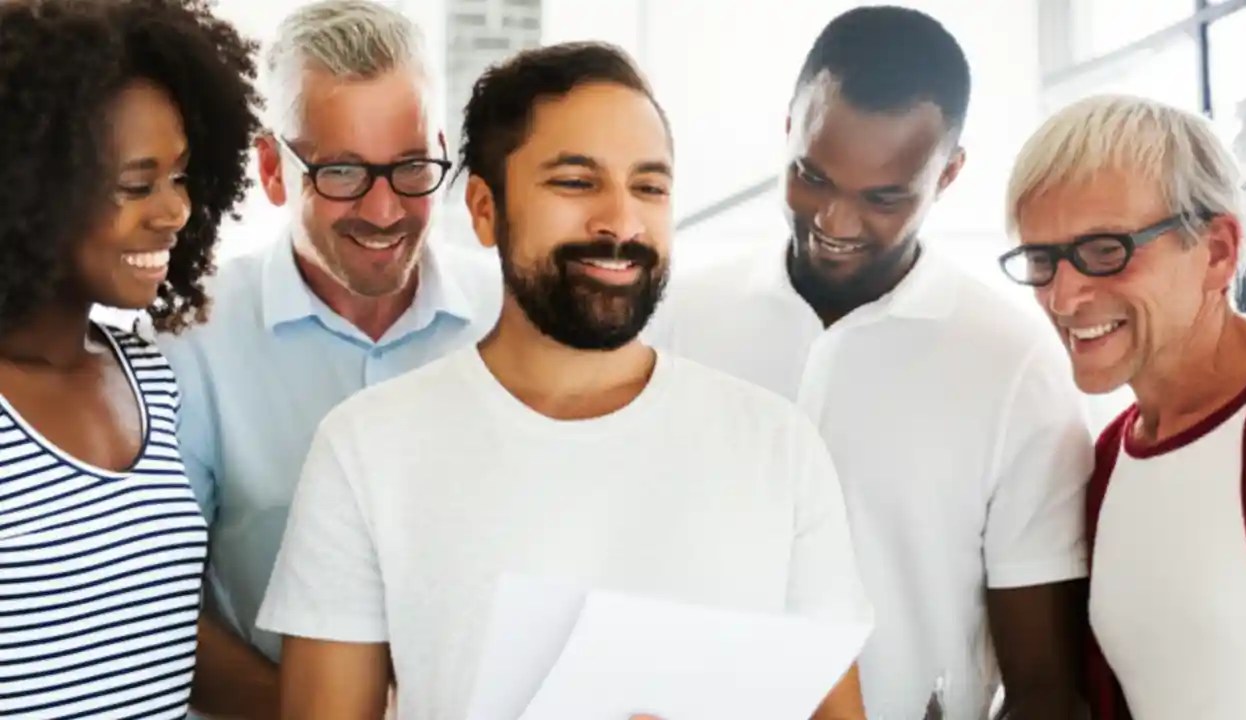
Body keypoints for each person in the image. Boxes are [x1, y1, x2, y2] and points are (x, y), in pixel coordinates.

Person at [255, 41, 874, 720]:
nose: (621, 221)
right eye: (576, 182)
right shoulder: (366, 448)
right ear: (485, 210)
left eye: (649, 187)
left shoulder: (779, 448)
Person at [647, 7, 1093, 719]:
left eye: (884, 198)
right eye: (812, 176)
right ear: (787, 129)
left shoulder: (1013, 365)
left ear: (948, 174)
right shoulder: (677, 320)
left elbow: (1043, 687)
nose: (835, 222)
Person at [154, 1, 501, 716]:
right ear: (273, 169)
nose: (384, 211)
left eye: (411, 167)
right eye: (342, 172)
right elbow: (154, 609)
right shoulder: (190, 344)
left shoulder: (510, 318)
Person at [0, 0, 259, 717]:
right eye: (135, 185)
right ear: (32, 191)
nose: (174, 211)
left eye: (181, 177)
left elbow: (156, 631)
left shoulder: (148, 377)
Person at [1003, 94, 1246, 720]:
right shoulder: (1109, 459)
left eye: (1106, 250)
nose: (1064, 298)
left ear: (1217, 252)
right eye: (1042, 260)